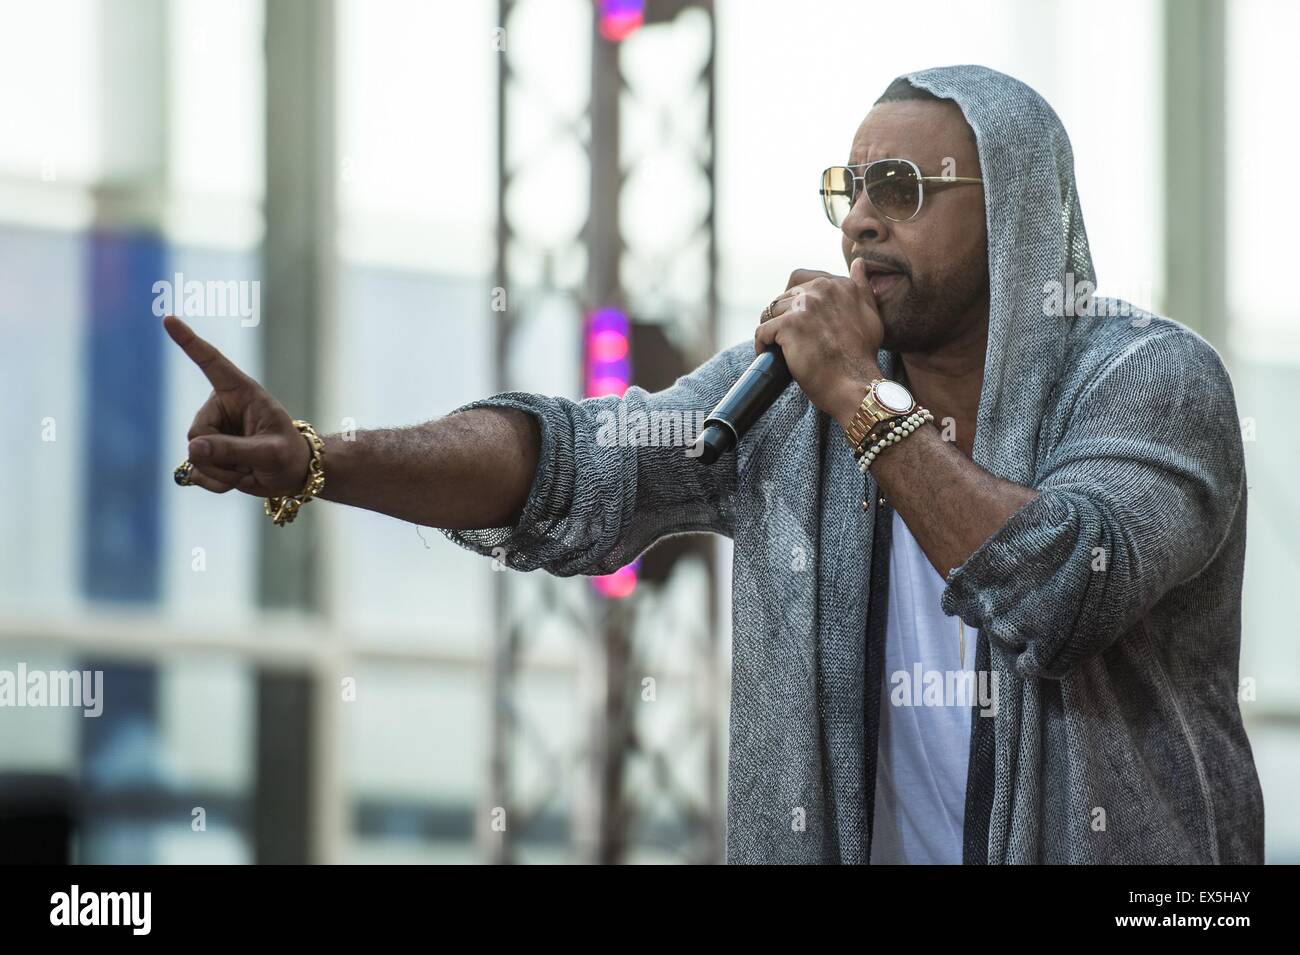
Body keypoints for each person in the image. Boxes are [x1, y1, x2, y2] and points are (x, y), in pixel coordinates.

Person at [166, 65, 1264, 864]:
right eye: (850, 192)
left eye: (900, 188)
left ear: (1016, 213)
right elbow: (578, 461)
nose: (860, 225)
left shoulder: (1148, 383)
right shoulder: (792, 397)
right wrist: (320, 456)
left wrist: (855, 397)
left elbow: (1058, 588)